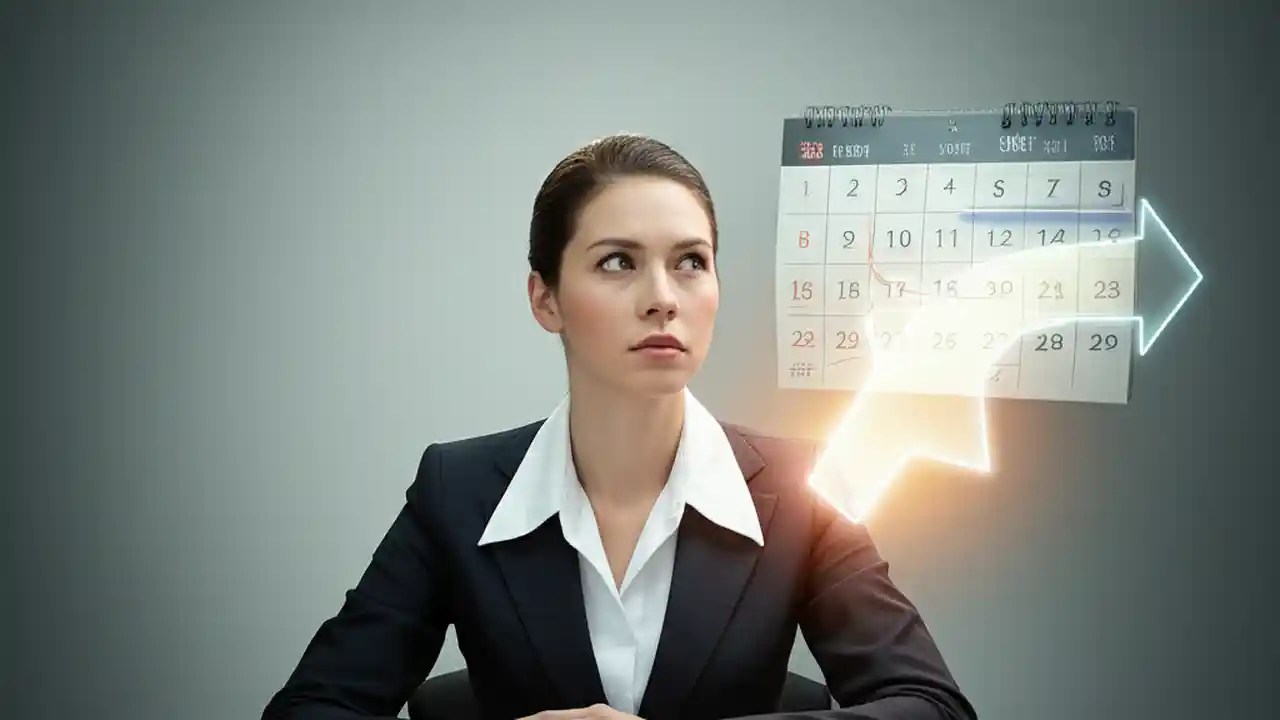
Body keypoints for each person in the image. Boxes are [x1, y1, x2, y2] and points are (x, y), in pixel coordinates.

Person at [262, 134, 978, 720]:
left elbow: (933, 707)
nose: (663, 299)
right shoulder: (457, 490)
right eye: (617, 262)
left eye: (691, 262)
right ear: (545, 299)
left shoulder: (806, 489)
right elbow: (311, 707)